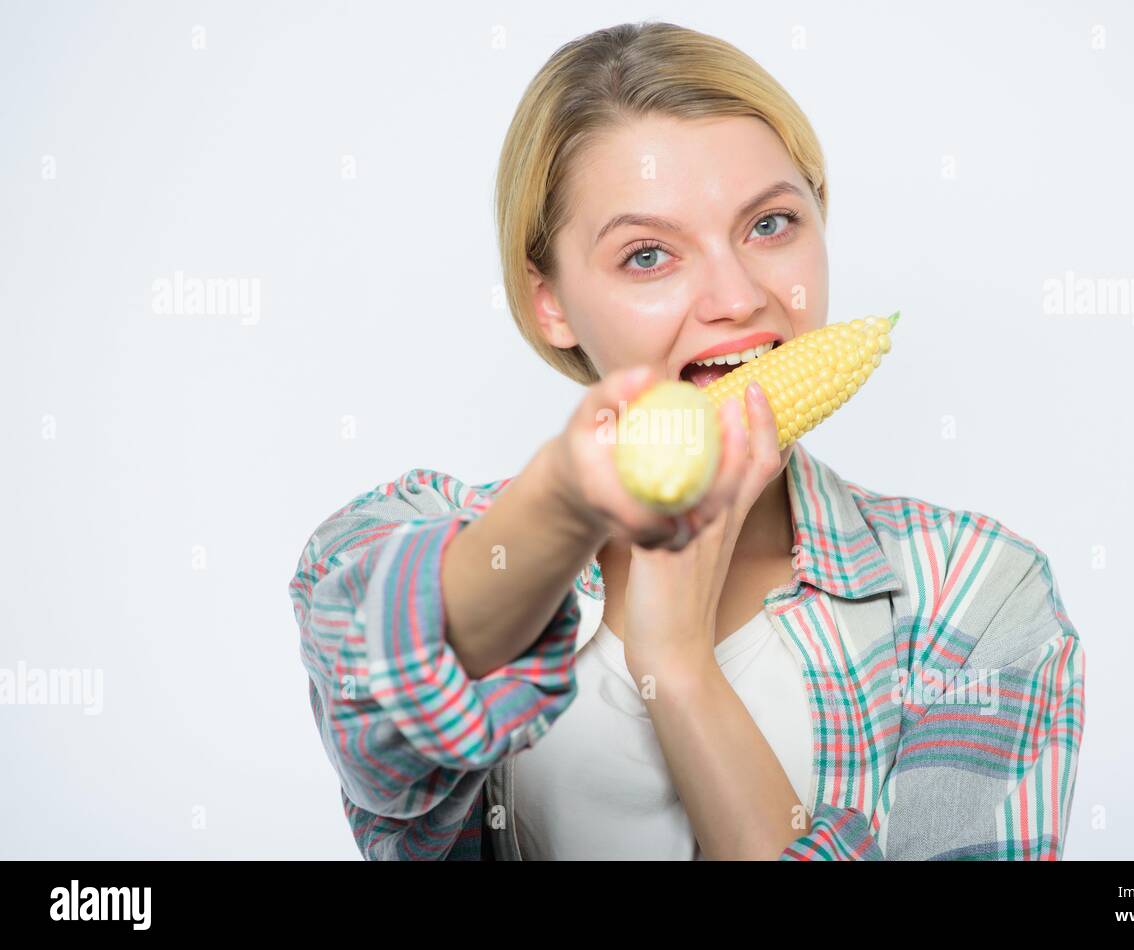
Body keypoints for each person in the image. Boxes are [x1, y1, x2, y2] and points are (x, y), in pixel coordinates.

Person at [287, 20, 1085, 861]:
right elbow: (387, 692)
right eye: (647, 255)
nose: (738, 297)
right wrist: (571, 497)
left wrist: (679, 663)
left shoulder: (973, 594)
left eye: (771, 225)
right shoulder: (403, 533)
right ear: (547, 301)